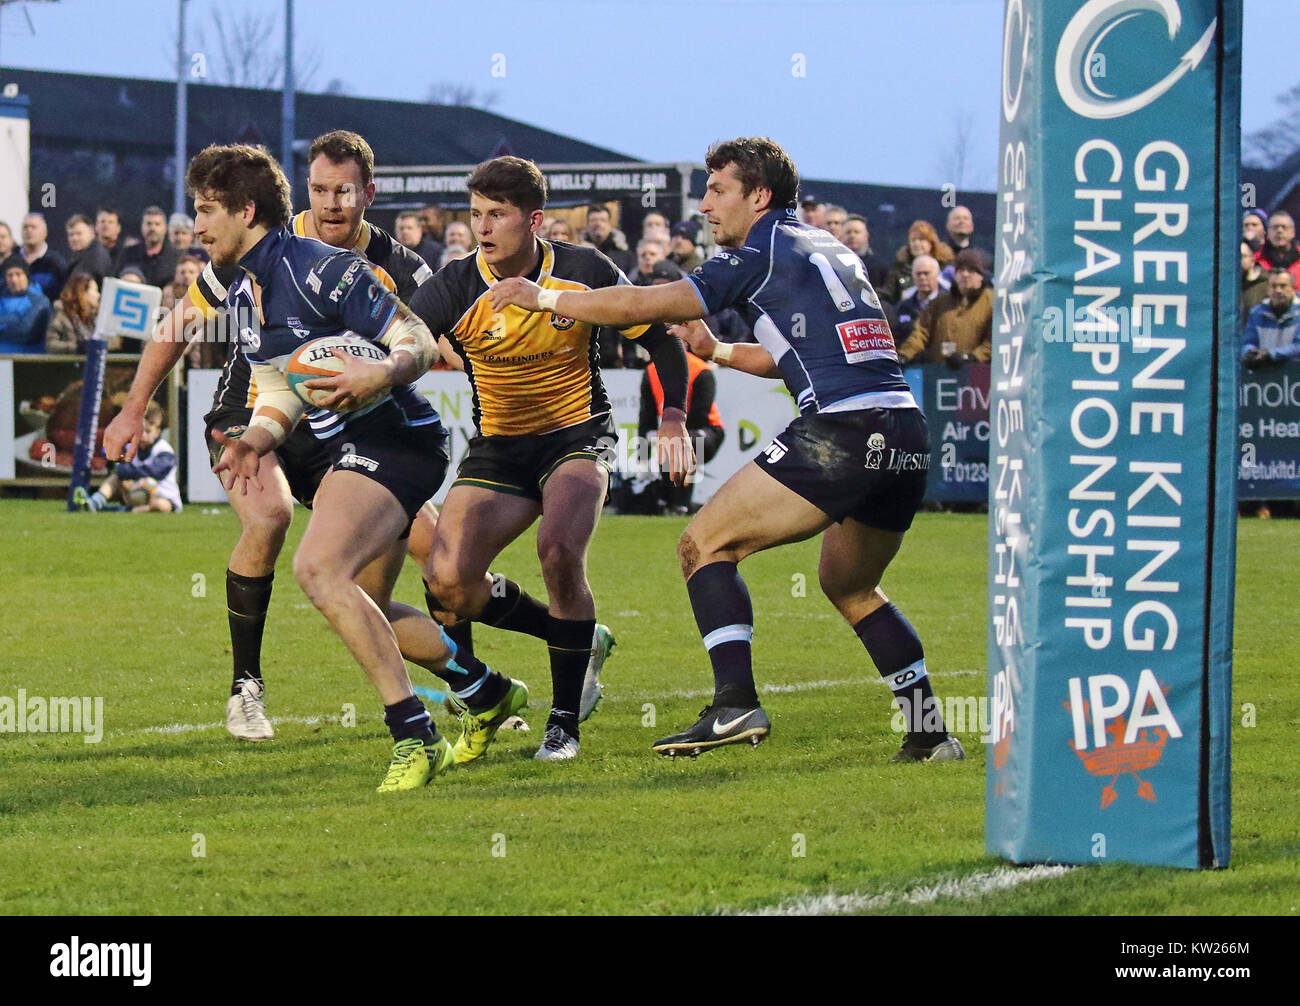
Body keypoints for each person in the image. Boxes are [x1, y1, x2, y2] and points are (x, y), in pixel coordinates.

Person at [490, 136, 964, 763]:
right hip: (903, 434)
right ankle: (931, 733)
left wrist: (545, 296)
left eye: (718, 190)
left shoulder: (758, 250)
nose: (707, 206)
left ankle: (734, 702)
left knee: (702, 542)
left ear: (759, 196)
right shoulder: (825, 246)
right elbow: (787, 356)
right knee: (849, 586)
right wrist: (714, 350)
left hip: (845, 432)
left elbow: (644, 302)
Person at [192, 142, 510, 792]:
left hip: (405, 442)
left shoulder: (322, 269)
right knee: (345, 587)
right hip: (357, 450)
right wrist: (256, 436)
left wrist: (381, 372)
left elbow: (415, 340)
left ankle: (417, 734)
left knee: (319, 568)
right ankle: (482, 692)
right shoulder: (249, 288)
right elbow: (282, 385)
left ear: (245, 210)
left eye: (205, 211)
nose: (196, 227)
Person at [410, 155, 692, 761]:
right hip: (500, 447)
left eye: (498, 214)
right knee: (447, 583)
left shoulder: (584, 269)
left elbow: (662, 343)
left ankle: (562, 724)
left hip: (576, 437)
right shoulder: (455, 286)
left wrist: (673, 418)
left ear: (534, 220)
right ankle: (499, 691)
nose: (483, 227)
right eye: (476, 214)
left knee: (559, 552)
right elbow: (396, 337)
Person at [636, 342, 725, 514]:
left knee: (684, 442)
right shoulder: (651, 372)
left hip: (708, 431)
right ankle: (667, 500)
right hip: (674, 432)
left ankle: (680, 503)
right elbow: (646, 417)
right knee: (671, 443)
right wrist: (643, 456)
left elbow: (700, 415)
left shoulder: (700, 371)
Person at [75, 402, 181, 512]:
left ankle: (125, 510)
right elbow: (119, 469)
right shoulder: (130, 447)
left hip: (163, 497)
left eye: (148, 431)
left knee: (160, 505)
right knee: (115, 478)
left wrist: (127, 471)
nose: (143, 435)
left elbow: (154, 472)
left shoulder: (164, 450)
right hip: (135, 491)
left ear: (157, 433)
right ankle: (96, 502)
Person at [897, 248, 992, 366]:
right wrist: (904, 355)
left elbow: (994, 340)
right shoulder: (940, 302)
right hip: (941, 372)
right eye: (960, 270)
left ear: (981, 275)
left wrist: (971, 357)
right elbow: (921, 332)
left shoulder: (992, 302)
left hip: (979, 374)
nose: (965, 274)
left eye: (971, 270)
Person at [881, 220, 952, 304]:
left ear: (931, 243)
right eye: (913, 240)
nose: (917, 243)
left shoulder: (946, 267)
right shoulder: (899, 268)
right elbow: (888, 293)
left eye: (921, 239)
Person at [46, 272, 119, 353]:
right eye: (95, 291)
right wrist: (77, 348)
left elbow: (114, 341)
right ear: (82, 292)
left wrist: (98, 346)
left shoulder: (98, 317)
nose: (98, 295)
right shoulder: (60, 316)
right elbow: (51, 345)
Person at [1242, 268, 1300, 366]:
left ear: (1293, 288)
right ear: (1268, 290)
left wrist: (1270, 354)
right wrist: (1249, 352)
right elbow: (1248, 341)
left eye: (1283, 286)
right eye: (1273, 286)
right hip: (1265, 377)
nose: (1278, 290)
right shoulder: (1257, 313)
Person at [116, 206, 180, 289]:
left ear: (165, 228)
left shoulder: (176, 258)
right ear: (142, 227)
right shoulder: (127, 254)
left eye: (157, 224)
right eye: (149, 224)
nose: (152, 228)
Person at [893, 254, 948, 347]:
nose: (922, 278)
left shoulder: (948, 304)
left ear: (937, 275)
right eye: (918, 274)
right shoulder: (902, 307)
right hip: (910, 358)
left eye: (926, 273)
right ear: (913, 276)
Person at [0, 257, 51, 349]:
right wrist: (15, 320)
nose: (14, 280)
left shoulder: (40, 300)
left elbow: (25, 330)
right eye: (10, 275)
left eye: (18, 274)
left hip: (27, 356)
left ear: (26, 276)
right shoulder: (2, 298)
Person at [20, 212, 68, 300]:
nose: (29, 230)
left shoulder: (56, 262)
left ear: (45, 233)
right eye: (25, 227)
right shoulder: (13, 260)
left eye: (33, 227)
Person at [581, 203, 634, 273]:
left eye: (603, 220)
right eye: (594, 220)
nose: (598, 224)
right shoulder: (578, 251)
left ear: (609, 225)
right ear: (587, 225)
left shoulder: (624, 254)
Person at [64, 214, 114, 284]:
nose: (74, 238)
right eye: (71, 234)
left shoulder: (96, 256)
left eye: (79, 234)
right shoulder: (79, 254)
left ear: (91, 233)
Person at [843, 213, 887, 290]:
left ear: (866, 236)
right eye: (848, 232)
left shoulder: (879, 268)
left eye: (856, 232)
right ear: (841, 236)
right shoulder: (833, 266)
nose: (852, 236)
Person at [1241, 240, 1269, 326]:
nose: (1237, 260)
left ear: (1252, 260)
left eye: (1242, 256)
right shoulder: (1223, 286)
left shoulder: (1266, 285)